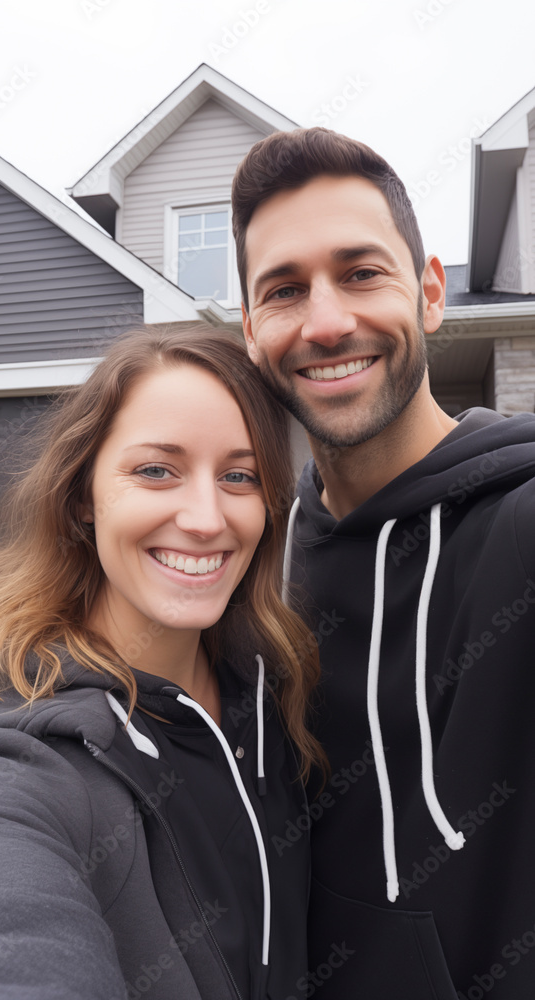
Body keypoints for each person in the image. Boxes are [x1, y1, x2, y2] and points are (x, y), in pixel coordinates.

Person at [0, 325, 325, 1000]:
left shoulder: (265, 682)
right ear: (82, 494)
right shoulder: (6, 755)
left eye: (239, 475)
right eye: (155, 470)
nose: (205, 518)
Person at [232, 128, 535, 998]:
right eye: (285, 290)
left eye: (361, 273)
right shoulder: (252, 555)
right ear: (253, 331)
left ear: (429, 292)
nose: (327, 323)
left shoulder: (514, 522)